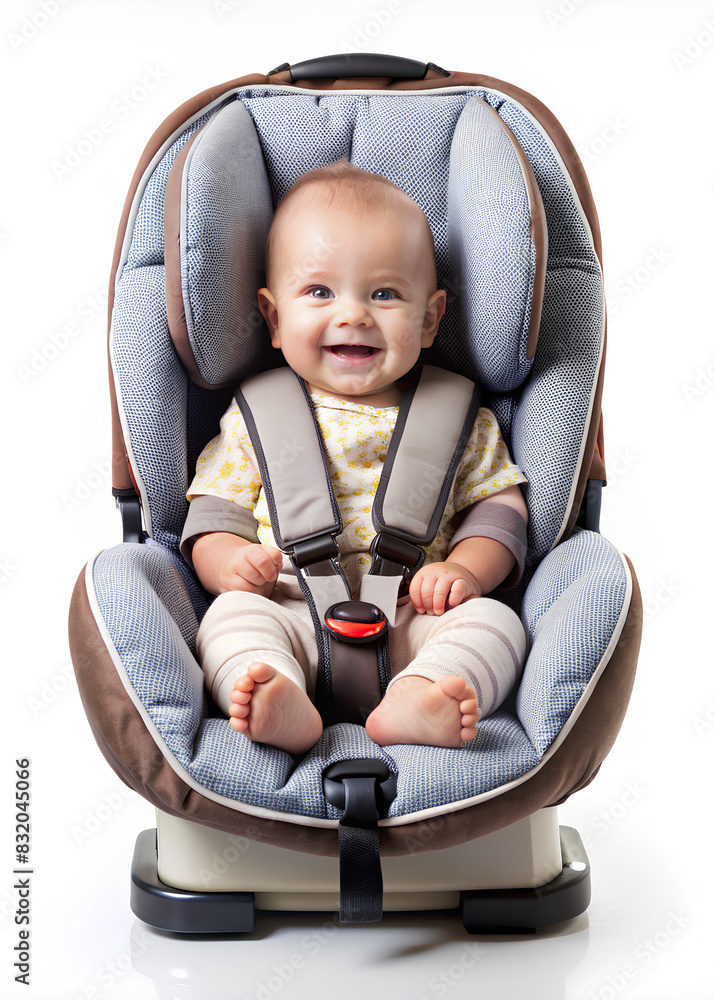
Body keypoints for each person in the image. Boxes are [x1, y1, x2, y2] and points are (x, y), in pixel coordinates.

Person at [180, 160, 530, 755]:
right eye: (319, 291)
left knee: (497, 625)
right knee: (230, 618)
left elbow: (500, 513)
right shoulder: (255, 419)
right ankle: (279, 694)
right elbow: (213, 517)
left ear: (430, 319)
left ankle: (419, 698)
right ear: (273, 316)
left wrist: (466, 571)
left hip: (414, 618)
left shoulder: (460, 419)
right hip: (288, 608)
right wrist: (231, 565)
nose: (353, 314)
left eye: (385, 293)